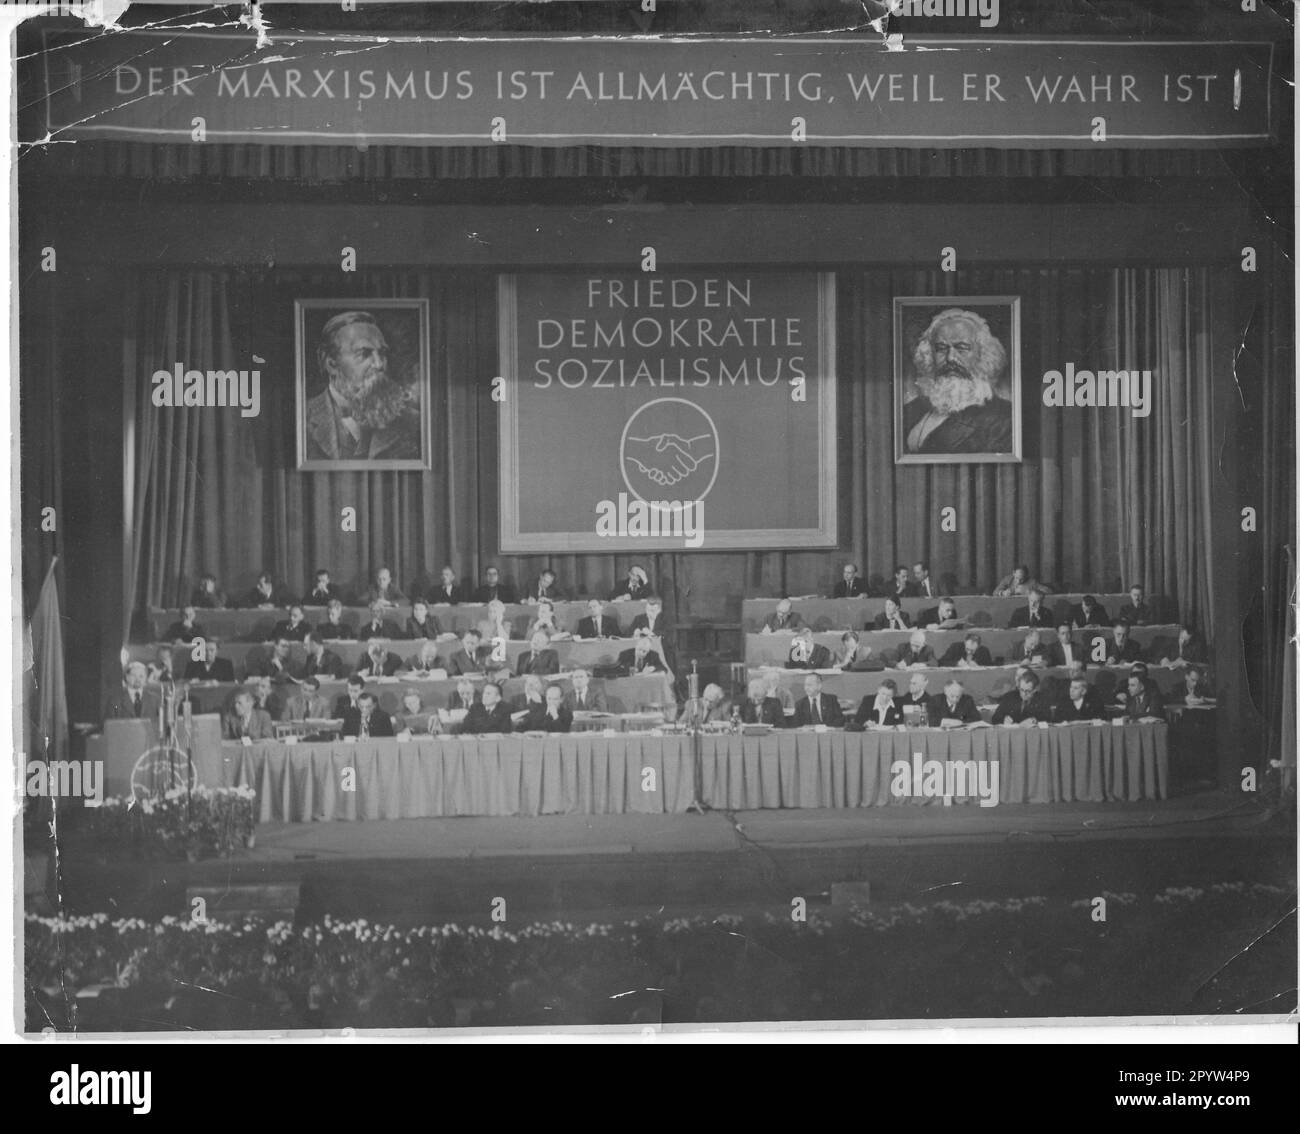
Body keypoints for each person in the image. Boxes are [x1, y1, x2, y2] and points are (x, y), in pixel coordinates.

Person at [304, 310, 421, 462]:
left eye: (383, 353)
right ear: (331, 364)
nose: (379, 364)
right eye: (364, 354)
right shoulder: (303, 418)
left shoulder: (412, 421)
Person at [902, 307, 1014, 456]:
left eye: (962, 348)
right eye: (941, 348)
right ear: (929, 356)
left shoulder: (1005, 418)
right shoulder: (909, 410)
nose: (950, 358)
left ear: (983, 354)